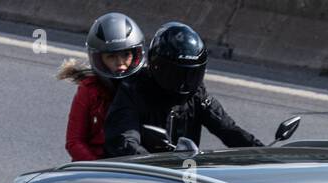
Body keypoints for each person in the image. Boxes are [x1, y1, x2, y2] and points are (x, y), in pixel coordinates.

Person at [104, 22, 262, 156]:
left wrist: (265, 155)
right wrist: (154, 165)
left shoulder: (197, 94)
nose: (185, 82)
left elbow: (229, 130)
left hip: (186, 174)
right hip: (140, 178)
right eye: (177, 74)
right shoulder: (133, 90)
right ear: (156, 66)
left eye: (192, 74)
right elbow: (124, 141)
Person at [59, 12, 145, 161]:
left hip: (137, 162)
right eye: (111, 56)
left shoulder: (145, 85)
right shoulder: (88, 89)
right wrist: (98, 167)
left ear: (135, 54)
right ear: (99, 59)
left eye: (126, 55)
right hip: (97, 166)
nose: (120, 62)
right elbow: (74, 141)